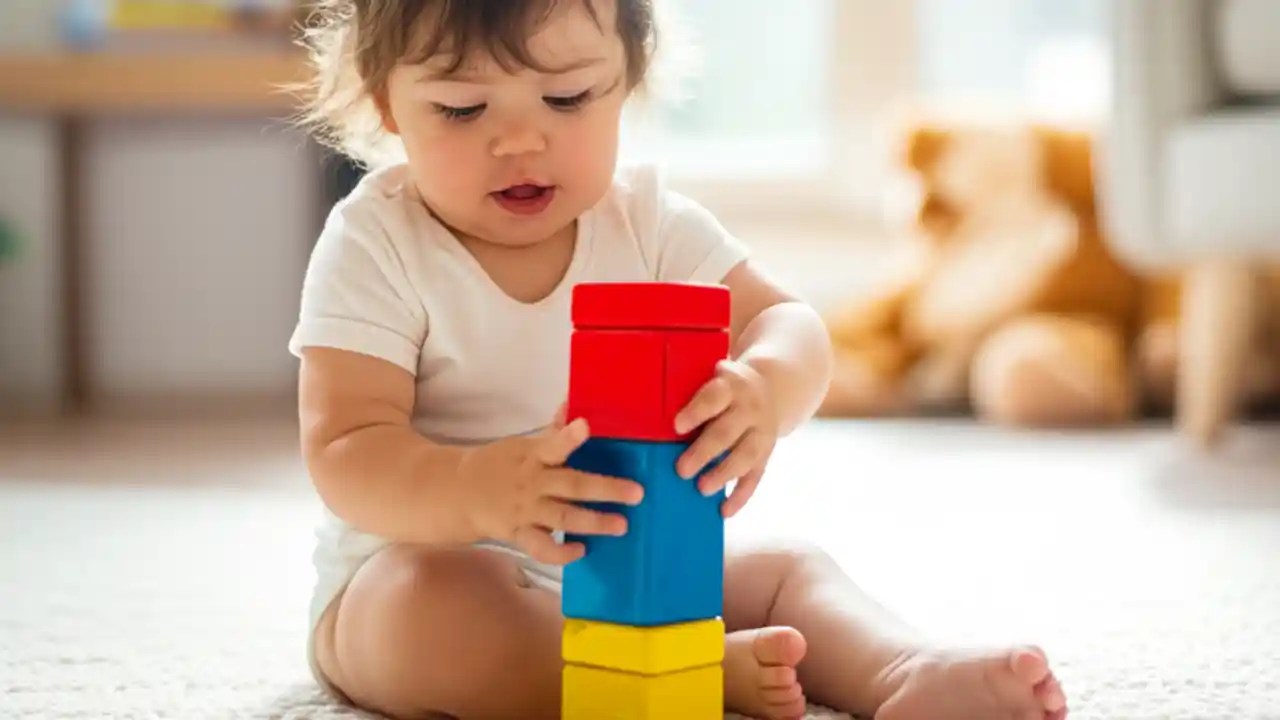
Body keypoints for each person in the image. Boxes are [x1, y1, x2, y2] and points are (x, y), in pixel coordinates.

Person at [289, 1, 1068, 718]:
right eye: (461, 109)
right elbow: (346, 449)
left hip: (633, 571)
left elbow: (788, 323)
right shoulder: (377, 243)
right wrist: (481, 491)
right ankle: (668, 682)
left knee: (790, 572)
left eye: (567, 99)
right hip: (428, 572)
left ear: (628, 80)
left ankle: (902, 670)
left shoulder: (648, 223)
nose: (521, 141)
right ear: (386, 101)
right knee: (429, 614)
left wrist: (765, 389)